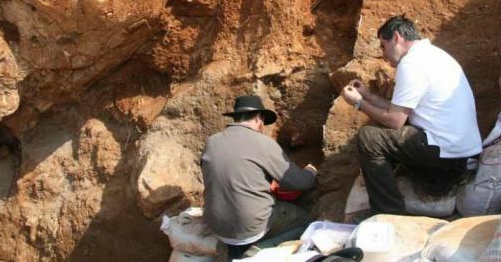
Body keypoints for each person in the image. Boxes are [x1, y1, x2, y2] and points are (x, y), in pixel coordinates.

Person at [341, 16, 482, 214]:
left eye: (383, 45)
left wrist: (357, 103)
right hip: (460, 151)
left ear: (397, 37)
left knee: (369, 137)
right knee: (391, 133)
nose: (383, 54)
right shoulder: (431, 55)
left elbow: (395, 120)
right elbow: (400, 110)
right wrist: (368, 96)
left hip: (447, 153)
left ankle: (387, 212)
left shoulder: (411, 64)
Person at [201, 95, 318, 260]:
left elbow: (229, 175)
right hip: (250, 225)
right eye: (263, 122)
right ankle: (257, 250)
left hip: (216, 224)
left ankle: (230, 250)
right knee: (306, 222)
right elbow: (300, 182)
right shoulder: (263, 143)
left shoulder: (211, 142)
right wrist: (310, 171)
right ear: (258, 118)